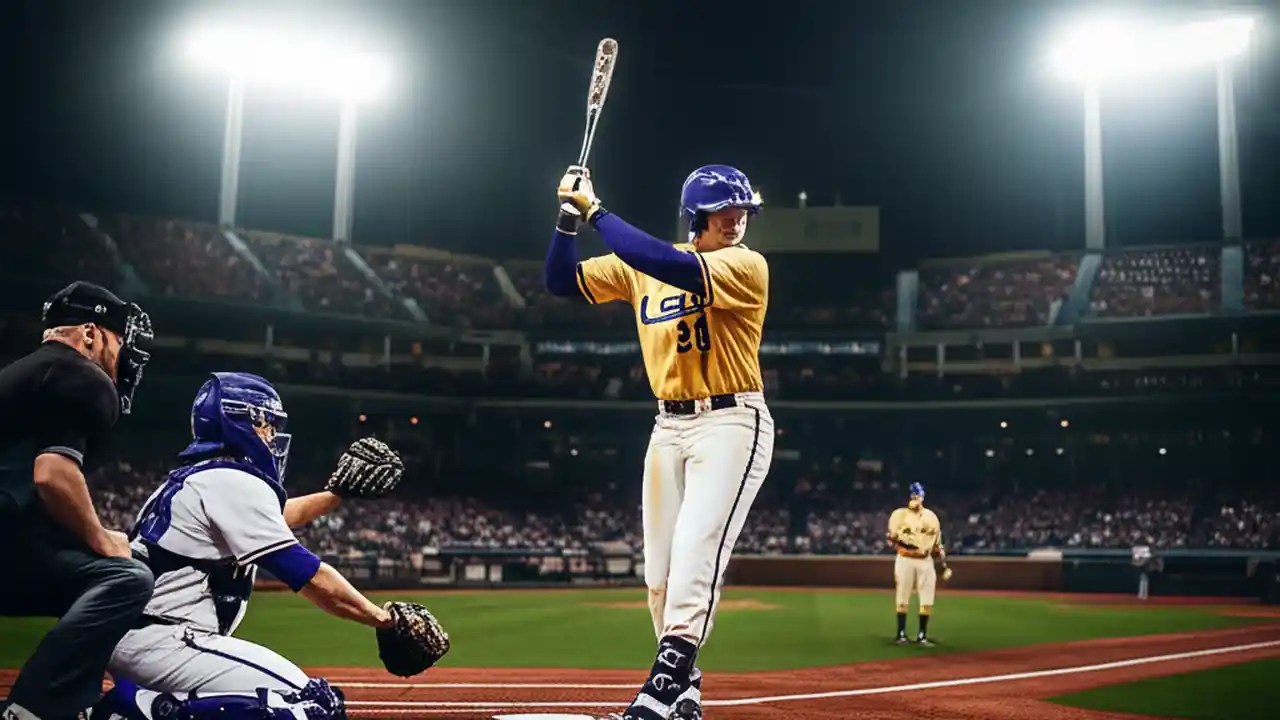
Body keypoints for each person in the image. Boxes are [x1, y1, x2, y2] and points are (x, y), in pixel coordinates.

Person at [548, 164, 775, 720]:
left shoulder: (745, 264)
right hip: (667, 425)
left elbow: (667, 263)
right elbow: (560, 281)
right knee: (658, 572)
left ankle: (662, 682)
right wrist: (567, 221)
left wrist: (596, 209)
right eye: (727, 209)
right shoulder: (641, 264)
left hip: (730, 420)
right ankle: (688, 691)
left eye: (744, 210)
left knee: (699, 545)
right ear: (698, 214)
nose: (738, 218)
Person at [92, 372, 449, 720]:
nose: (273, 436)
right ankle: (141, 709)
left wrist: (335, 495)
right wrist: (385, 621)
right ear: (242, 423)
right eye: (268, 425)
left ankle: (148, 704)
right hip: (166, 640)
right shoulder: (231, 481)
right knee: (309, 705)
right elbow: (306, 573)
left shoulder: (205, 477)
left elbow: (276, 516)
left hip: (144, 639)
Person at [0, 281, 155, 720]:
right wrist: (100, 537)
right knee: (126, 578)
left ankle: (74, 702)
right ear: (90, 333)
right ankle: (34, 708)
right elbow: (52, 475)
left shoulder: (24, 373)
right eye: (121, 341)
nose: (124, 355)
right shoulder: (81, 375)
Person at [886, 482, 945, 645]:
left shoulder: (931, 517)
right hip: (905, 558)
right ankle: (901, 633)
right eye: (913, 494)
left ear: (923, 496)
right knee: (903, 594)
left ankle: (922, 635)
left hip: (925, 560)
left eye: (918, 494)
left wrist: (941, 560)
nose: (916, 497)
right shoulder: (899, 515)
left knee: (927, 596)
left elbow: (937, 542)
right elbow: (892, 538)